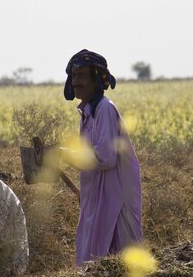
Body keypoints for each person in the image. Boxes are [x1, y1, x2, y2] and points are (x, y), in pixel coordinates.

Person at [61, 50, 142, 266]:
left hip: (116, 199)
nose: (76, 81)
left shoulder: (105, 109)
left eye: (82, 76)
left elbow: (105, 158)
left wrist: (65, 154)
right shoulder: (88, 112)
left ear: (96, 80)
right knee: (97, 261)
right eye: (74, 75)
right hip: (99, 198)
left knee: (121, 264)